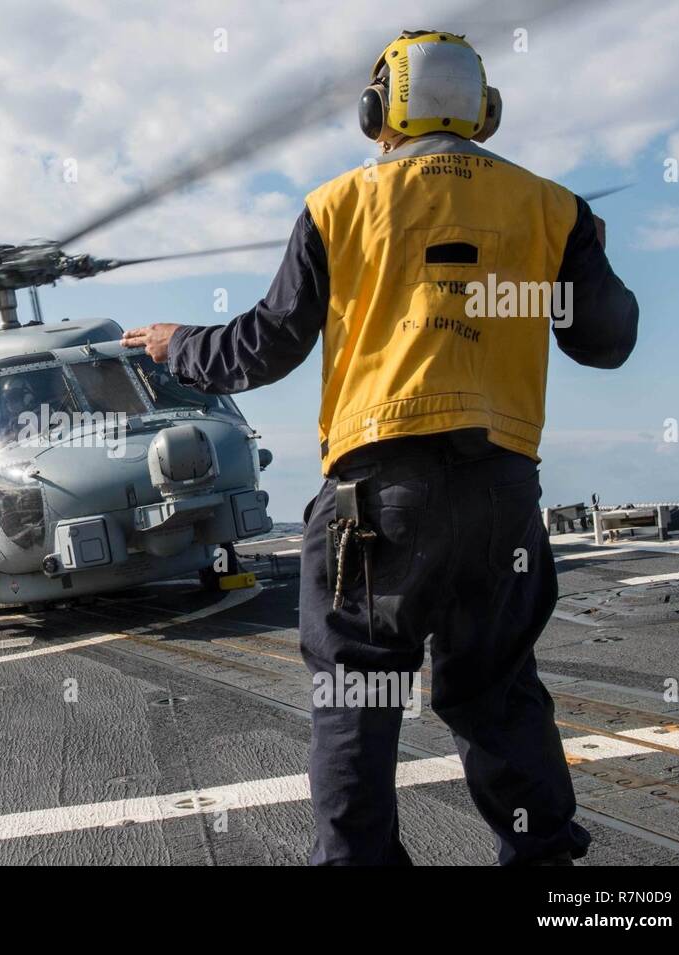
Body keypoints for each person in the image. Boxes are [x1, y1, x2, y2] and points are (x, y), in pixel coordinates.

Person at [120, 28, 638, 865]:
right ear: (484, 111)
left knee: (357, 693)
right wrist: (584, 256)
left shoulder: (338, 206)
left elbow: (261, 348)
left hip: (373, 499)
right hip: (502, 498)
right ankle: (546, 862)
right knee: (496, 689)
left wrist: (176, 343)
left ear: (378, 111)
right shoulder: (552, 208)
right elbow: (607, 342)